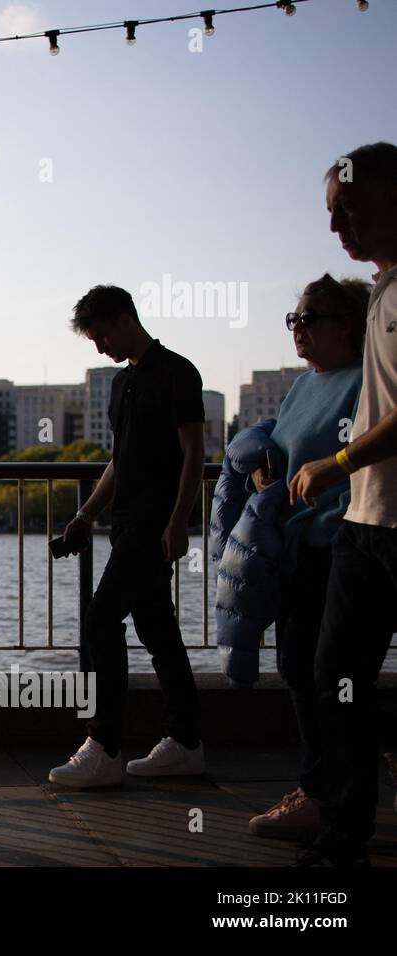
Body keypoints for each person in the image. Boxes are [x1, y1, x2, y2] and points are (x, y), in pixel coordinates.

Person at [208, 275, 365, 839]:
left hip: (338, 548)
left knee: (328, 677)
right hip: (295, 549)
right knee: (299, 672)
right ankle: (320, 789)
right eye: (292, 320)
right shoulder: (303, 386)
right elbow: (285, 450)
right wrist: (257, 470)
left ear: (345, 323)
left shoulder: (365, 383)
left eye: (308, 318)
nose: (296, 328)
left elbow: (358, 465)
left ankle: (328, 798)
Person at [49, 285, 206, 787]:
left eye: (100, 335)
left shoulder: (179, 372)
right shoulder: (121, 385)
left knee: (100, 622)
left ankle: (105, 746)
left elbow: (193, 454)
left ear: (124, 320)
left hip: (152, 524)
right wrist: (85, 515)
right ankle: (185, 742)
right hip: (126, 525)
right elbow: (119, 462)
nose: (98, 347)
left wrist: (179, 521)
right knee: (158, 630)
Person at [290, 142, 397, 867]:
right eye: (333, 214)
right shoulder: (384, 290)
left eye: (348, 210)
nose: (337, 229)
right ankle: (344, 830)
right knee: (335, 677)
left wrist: (338, 462)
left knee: (340, 677)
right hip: (366, 523)